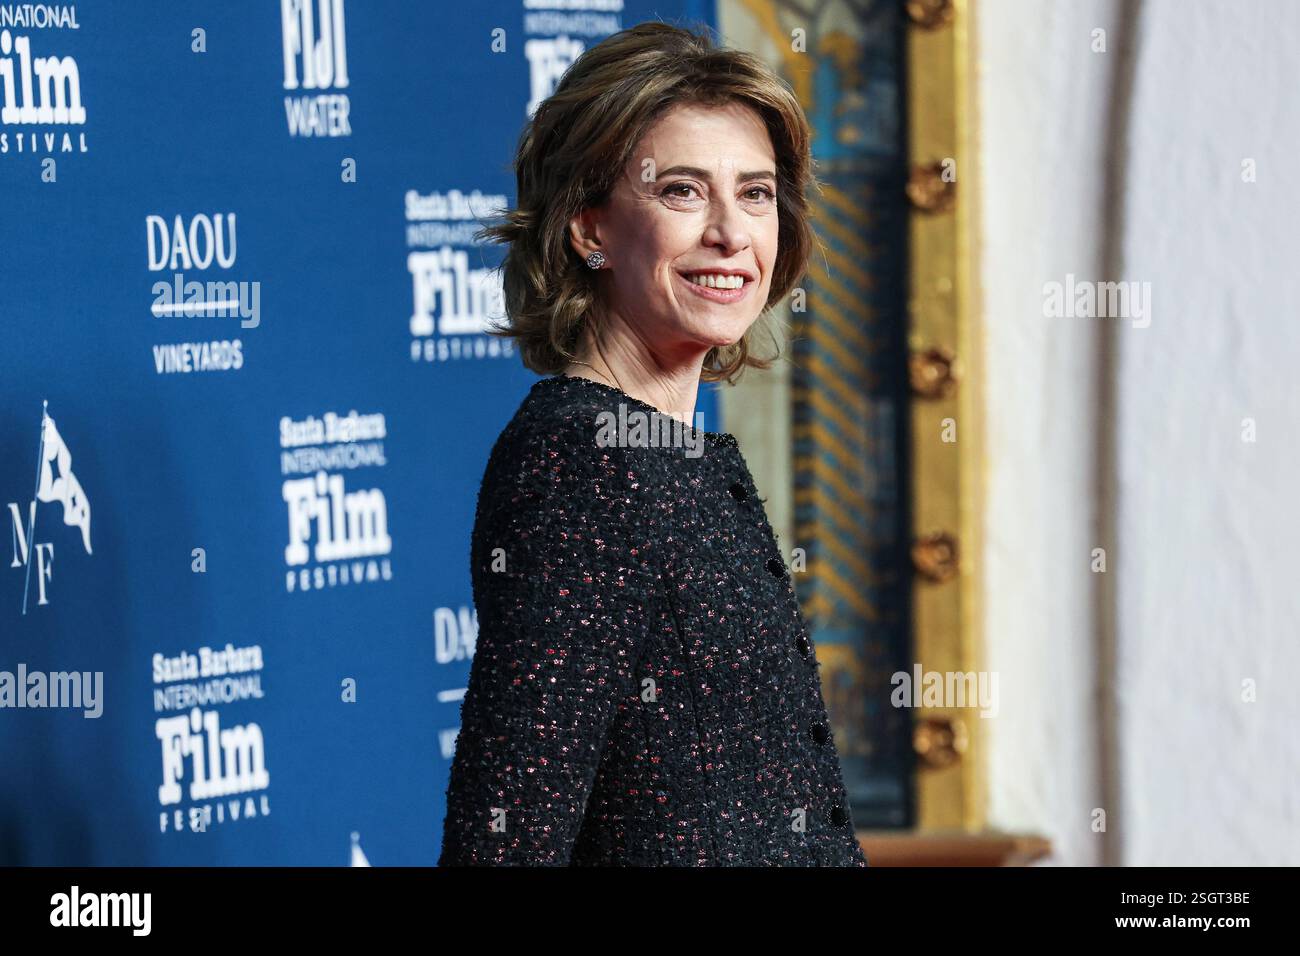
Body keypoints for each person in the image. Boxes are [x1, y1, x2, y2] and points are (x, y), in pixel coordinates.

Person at [438, 20, 868, 867]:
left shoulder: (665, 454)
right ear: (588, 227)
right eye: (681, 191)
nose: (731, 233)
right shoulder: (583, 463)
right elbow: (507, 835)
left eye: (755, 192)